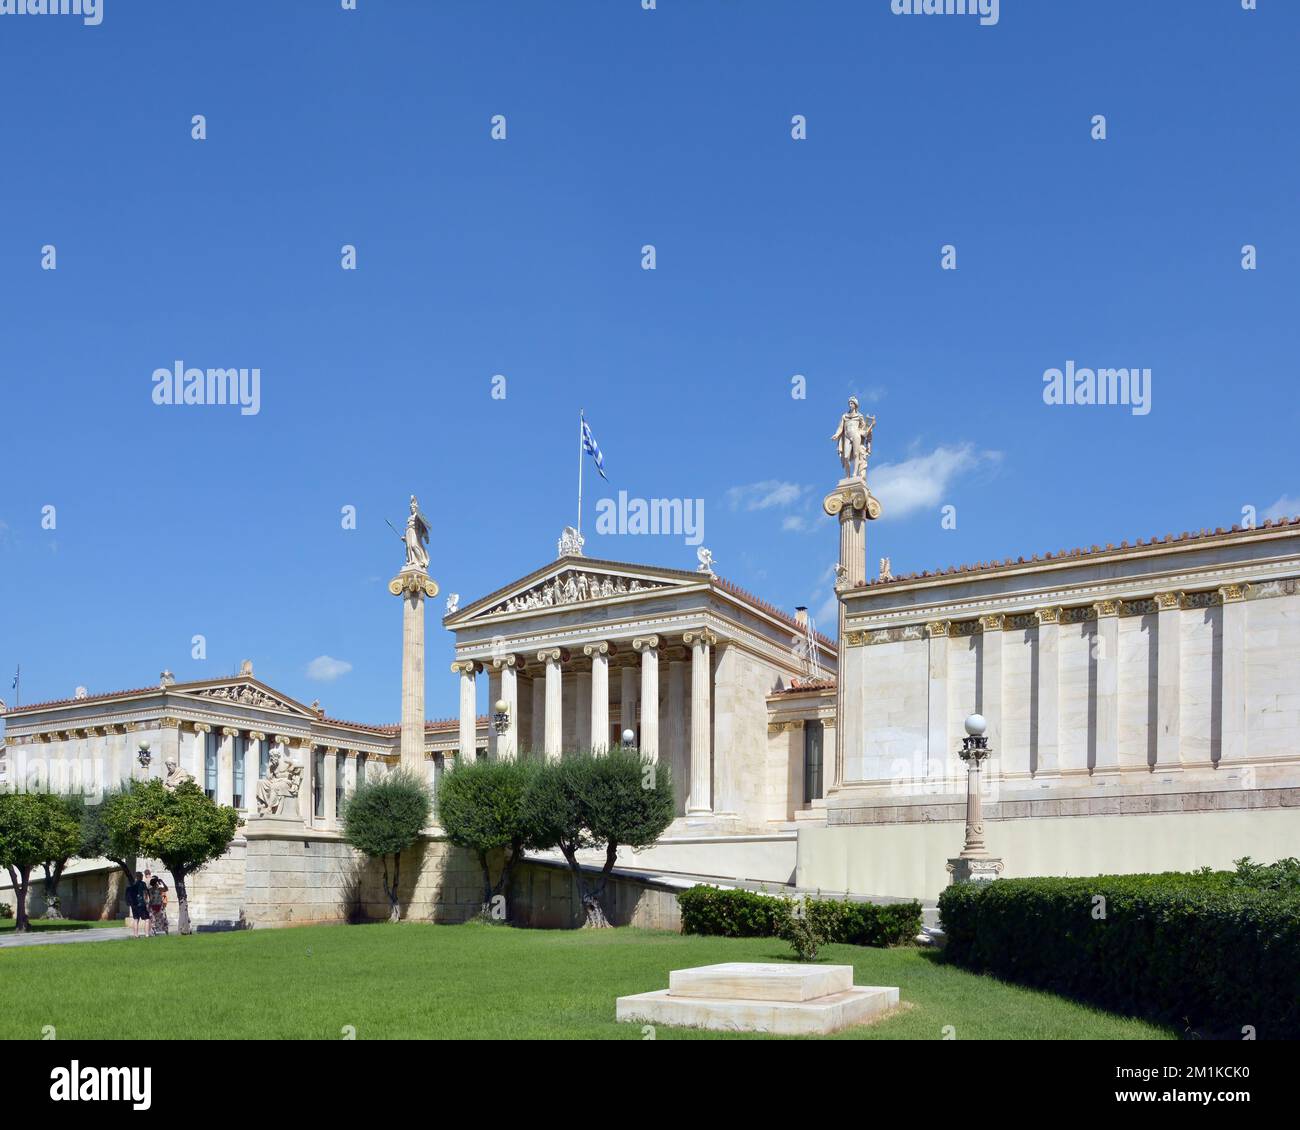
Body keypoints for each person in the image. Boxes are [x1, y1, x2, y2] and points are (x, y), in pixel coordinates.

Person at [126, 872, 149, 938]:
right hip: (141, 904)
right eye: (141, 876)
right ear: (140, 876)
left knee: (136, 919)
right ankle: (147, 935)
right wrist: (146, 902)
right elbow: (145, 893)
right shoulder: (142, 884)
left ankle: (136, 935)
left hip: (134, 904)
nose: (142, 877)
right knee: (147, 919)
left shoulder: (132, 884)